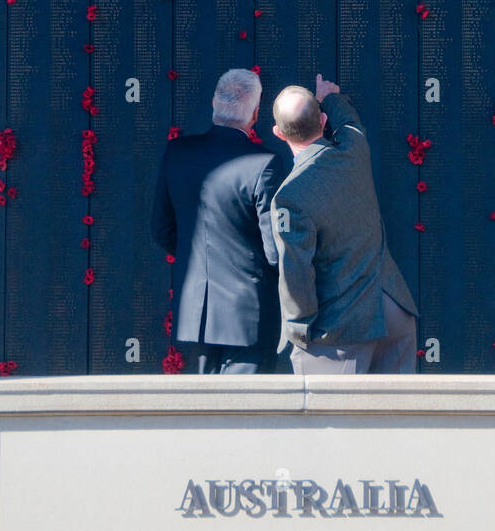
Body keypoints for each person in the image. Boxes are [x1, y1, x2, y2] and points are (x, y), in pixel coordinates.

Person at [270, 74, 418, 374]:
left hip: (342, 330)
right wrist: (330, 97)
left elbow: (295, 271)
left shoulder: (289, 197)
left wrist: (299, 331)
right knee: (397, 420)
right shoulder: (354, 151)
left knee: (329, 421)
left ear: (278, 133)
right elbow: (350, 124)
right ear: (323, 120)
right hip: (393, 310)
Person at [152, 68, 287, 374]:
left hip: (194, 315)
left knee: (201, 415)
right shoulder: (264, 164)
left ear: (214, 102)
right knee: (245, 415)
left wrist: (194, 256)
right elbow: (274, 251)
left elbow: (161, 228)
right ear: (255, 113)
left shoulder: (177, 152)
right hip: (248, 315)